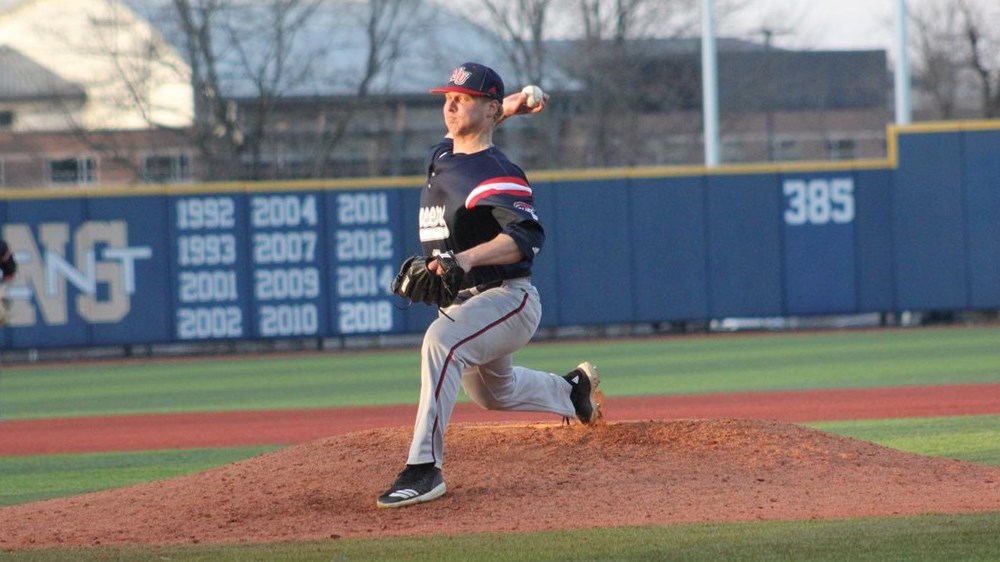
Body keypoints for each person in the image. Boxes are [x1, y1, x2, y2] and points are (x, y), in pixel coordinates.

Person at [377, 62, 602, 509]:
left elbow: (526, 238)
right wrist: (513, 105)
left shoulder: (499, 171)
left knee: (440, 342)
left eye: (464, 98)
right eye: (447, 97)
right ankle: (572, 391)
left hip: (508, 298)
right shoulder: (442, 156)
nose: (451, 103)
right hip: (467, 302)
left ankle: (423, 468)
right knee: (493, 393)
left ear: (488, 107)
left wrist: (465, 257)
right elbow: (476, 130)